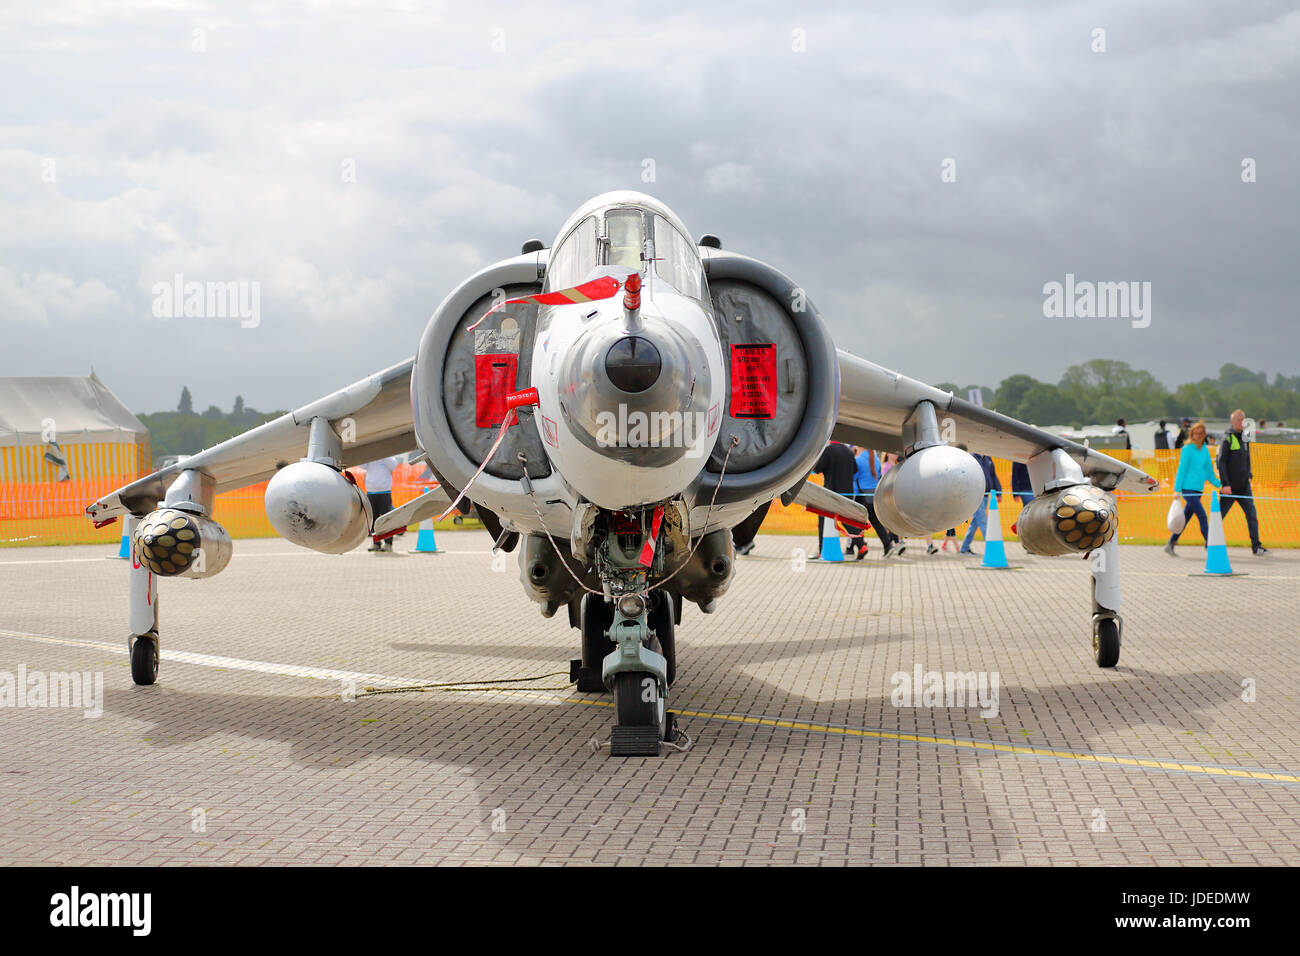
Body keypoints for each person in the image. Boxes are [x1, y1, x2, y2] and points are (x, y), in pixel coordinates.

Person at [1164, 421, 1219, 556]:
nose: (1198, 436)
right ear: (1192, 434)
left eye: (1201, 433)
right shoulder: (1187, 449)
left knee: (1186, 517)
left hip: (1198, 489)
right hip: (1187, 489)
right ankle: (1209, 545)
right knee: (1202, 515)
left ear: (1204, 435)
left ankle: (1171, 543)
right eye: (1196, 433)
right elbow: (1181, 470)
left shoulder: (1205, 450)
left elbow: (1209, 473)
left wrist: (1220, 485)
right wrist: (1177, 489)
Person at [1218, 409, 1268, 555]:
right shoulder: (1227, 438)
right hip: (1230, 488)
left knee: (1251, 514)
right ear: (1232, 422)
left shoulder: (1245, 437)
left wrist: (1249, 474)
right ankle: (1210, 542)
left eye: (1243, 419)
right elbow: (1221, 462)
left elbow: (1246, 458)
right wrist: (1225, 484)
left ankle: (1256, 547)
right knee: (1219, 516)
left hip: (1244, 486)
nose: (1242, 422)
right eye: (1239, 419)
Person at [808, 441, 861, 560]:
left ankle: (822, 550)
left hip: (831, 493)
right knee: (846, 520)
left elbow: (817, 469)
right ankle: (861, 545)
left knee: (823, 518)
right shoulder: (849, 451)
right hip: (847, 492)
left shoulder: (828, 450)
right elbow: (855, 470)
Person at [853, 447, 899, 559]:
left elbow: (854, 478)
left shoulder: (858, 460)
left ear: (860, 447)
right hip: (873, 496)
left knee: (856, 524)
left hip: (861, 496)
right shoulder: (877, 460)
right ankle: (888, 545)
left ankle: (861, 547)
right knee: (877, 523)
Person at [959, 446, 1002, 555]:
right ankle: (992, 549)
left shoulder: (987, 458)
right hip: (976, 496)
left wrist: (999, 492)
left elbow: (993, 476)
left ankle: (964, 548)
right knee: (983, 520)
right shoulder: (972, 458)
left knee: (975, 523)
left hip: (987, 495)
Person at [358, 455, 402, 552]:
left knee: (386, 519)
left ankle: (388, 544)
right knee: (373, 519)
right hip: (370, 492)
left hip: (384, 492)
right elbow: (362, 465)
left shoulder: (388, 457)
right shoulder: (370, 456)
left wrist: (382, 453)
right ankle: (376, 543)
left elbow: (394, 465)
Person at [1009, 461, 1033, 537]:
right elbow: (1014, 475)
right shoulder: (1017, 459)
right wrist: (1015, 493)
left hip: (1035, 488)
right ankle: (1019, 525)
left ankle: (1018, 525)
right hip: (1024, 490)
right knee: (1030, 511)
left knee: (1028, 512)